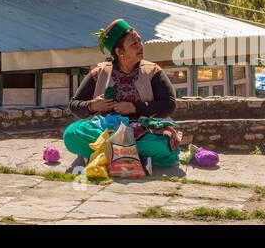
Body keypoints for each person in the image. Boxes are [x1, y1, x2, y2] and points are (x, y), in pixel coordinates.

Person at [63, 18, 180, 169]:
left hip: (141, 132)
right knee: (71, 134)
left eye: (139, 41)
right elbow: (74, 104)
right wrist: (92, 105)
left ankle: (104, 155)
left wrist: (135, 108)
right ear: (119, 52)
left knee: (162, 143)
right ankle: (134, 159)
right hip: (106, 131)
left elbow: (169, 105)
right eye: (134, 44)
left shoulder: (152, 71)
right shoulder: (100, 72)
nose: (140, 46)